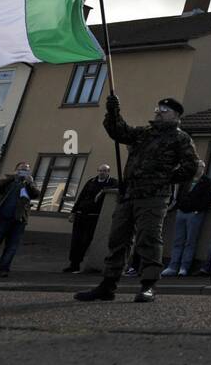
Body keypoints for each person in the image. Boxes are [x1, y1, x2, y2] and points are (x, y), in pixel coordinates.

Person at [75, 95, 198, 304]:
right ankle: (108, 285)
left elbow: (191, 167)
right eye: (157, 108)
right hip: (129, 194)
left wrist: (163, 179)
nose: (158, 112)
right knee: (118, 239)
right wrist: (113, 111)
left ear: (176, 115)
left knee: (148, 238)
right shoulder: (143, 133)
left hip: (154, 197)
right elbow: (119, 132)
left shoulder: (180, 138)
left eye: (164, 110)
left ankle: (148, 285)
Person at [0, 161, 40, 278]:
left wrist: (30, 183)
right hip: (3, 217)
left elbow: (36, 195)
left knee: (11, 246)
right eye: (21, 169)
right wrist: (12, 177)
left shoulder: (30, 183)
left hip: (19, 219)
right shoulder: (9, 181)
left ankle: (3, 269)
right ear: (16, 170)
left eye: (26, 169)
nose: (24, 171)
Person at [163, 160, 211, 277]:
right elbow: (179, 194)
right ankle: (172, 266)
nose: (196, 168)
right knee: (178, 240)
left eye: (199, 166)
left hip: (194, 214)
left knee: (190, 242)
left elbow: (208, 199)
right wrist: (177, 207)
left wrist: (198, 210)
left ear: (203, 168)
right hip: (182, 212)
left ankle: (184, 267)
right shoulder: (187, 180)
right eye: (195, 166)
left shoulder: (207, 182)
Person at [65, 163, 118, 273]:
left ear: (108, 172)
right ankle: (74, 264)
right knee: (76, 240)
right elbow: (81, 196)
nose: (102, 172)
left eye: (104, 171)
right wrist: (73, 212)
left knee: (86, 240)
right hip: (81, 214)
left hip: (94, 217)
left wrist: (102, 191)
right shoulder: (91, 182)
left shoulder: (112, 182)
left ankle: (81, 262)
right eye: (100, 170)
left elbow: (117, 190)